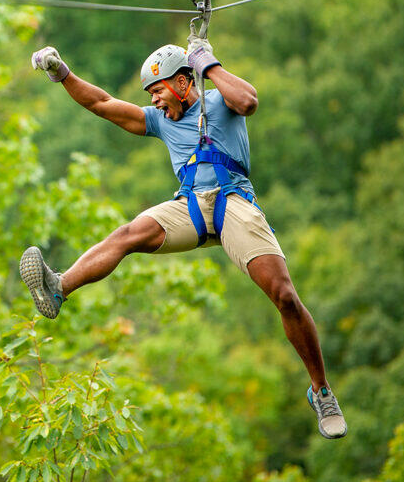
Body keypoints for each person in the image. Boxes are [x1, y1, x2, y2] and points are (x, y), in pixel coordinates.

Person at [21, 37, 347, 439]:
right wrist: (62, 72)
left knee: (284, 295)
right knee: (128, 234)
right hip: (189, 205)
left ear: (181, 82)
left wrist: (206, 64)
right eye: (151, 94)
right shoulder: (159, 121)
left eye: (157, 90)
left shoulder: (220, 101)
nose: (155, 101)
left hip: (233, 201)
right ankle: (58, 289)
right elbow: (102, 105)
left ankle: (322, 391)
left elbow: (248, 102)